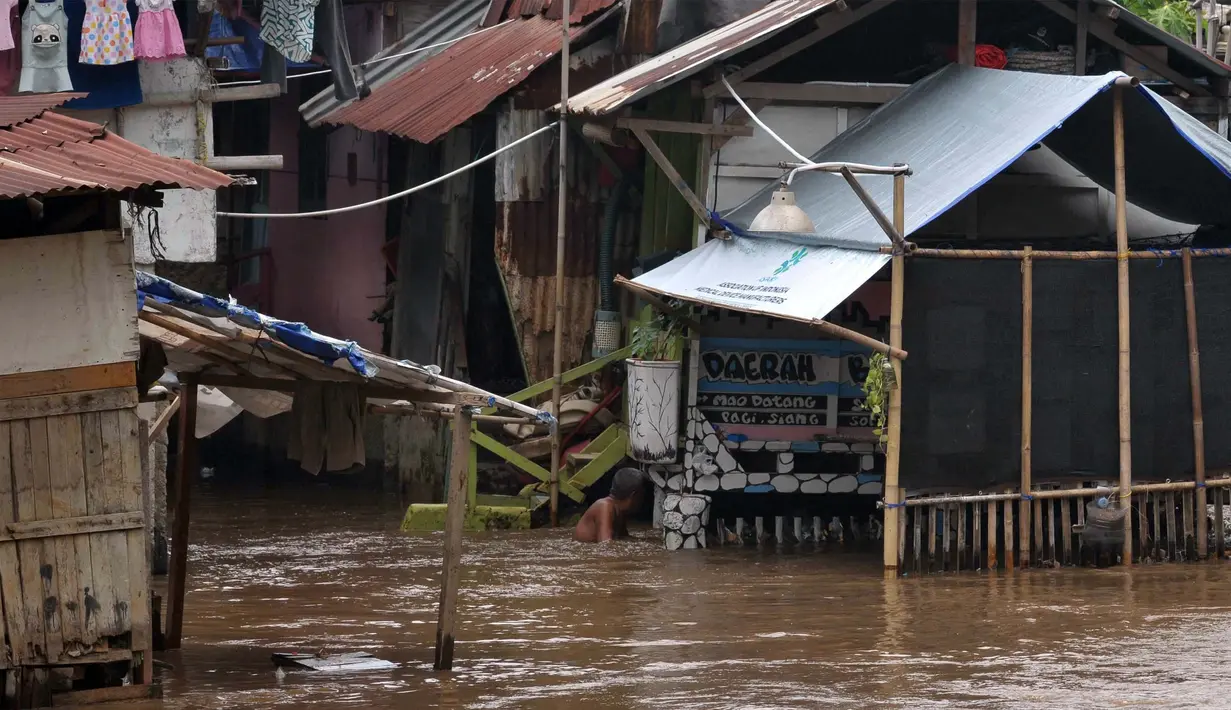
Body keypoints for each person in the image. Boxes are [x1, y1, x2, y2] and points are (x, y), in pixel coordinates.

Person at [574, 467, 645, 542]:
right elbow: (606, 544)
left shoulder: (619, 510)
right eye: (642, 494)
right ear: (634, 495)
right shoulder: (605, 506)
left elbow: (624, 538)